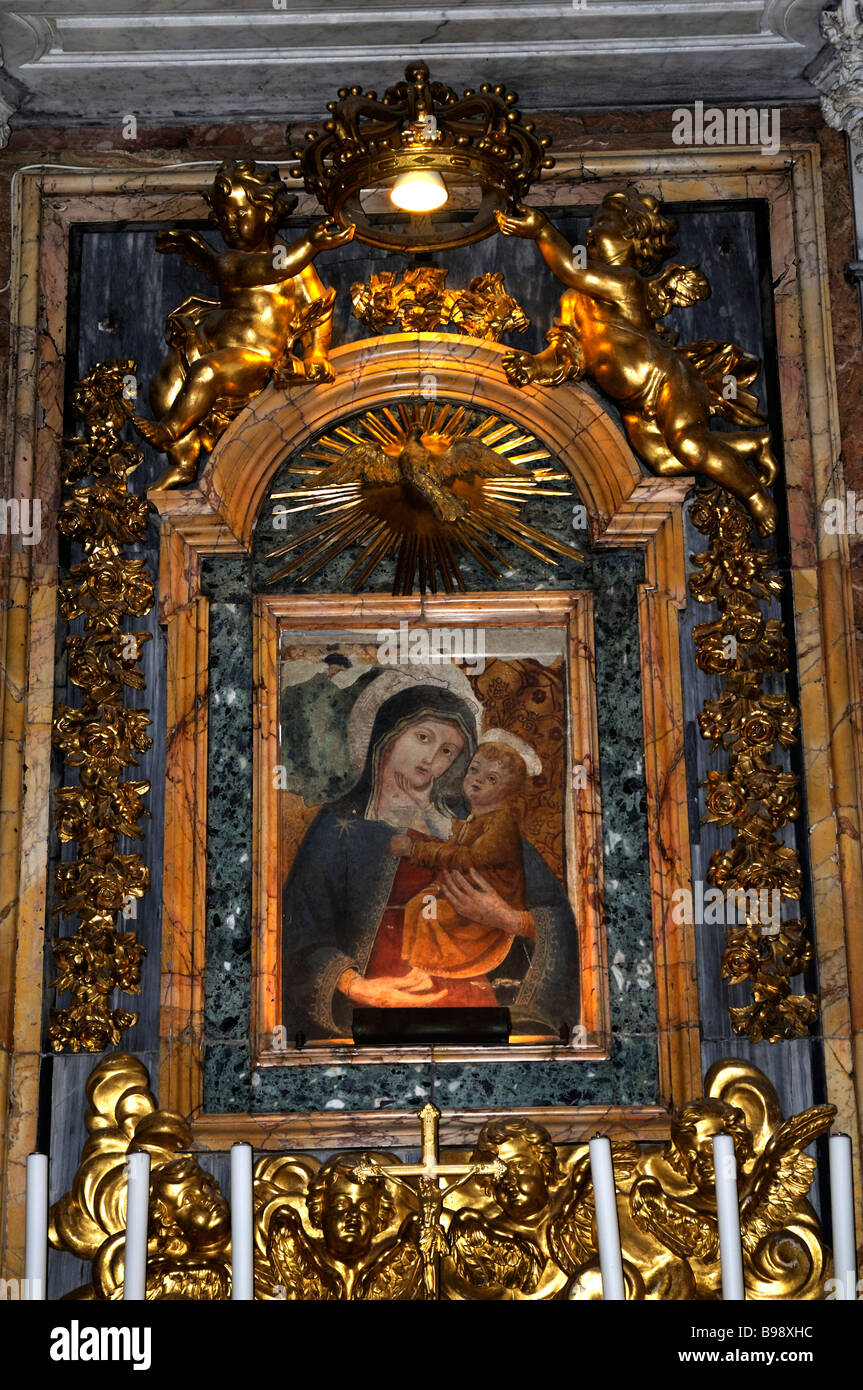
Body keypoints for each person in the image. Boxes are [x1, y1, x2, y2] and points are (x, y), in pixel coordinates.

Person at [280, 671, 579, 1039]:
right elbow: (299, 933)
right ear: (387, 736)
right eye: (423, 738)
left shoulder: (471, 827)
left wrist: (508, 920)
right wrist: (358, 987)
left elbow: (560, 917)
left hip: (471, 1008)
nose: (430, 760)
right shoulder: (339, 826)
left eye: (447, 752)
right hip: (370, 1014)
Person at [393, 739, 536, 983]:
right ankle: (415, 967)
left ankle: (429, 970)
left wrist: (416, 850)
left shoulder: (502, 824)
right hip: (461, 890)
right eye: (474, 769)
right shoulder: (476, 818)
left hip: (482, 910)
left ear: (508, 791)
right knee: (417, 904)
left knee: (435, 916)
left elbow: (469, 859)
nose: (478, 779)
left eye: (492, 778)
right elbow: (455, 850)